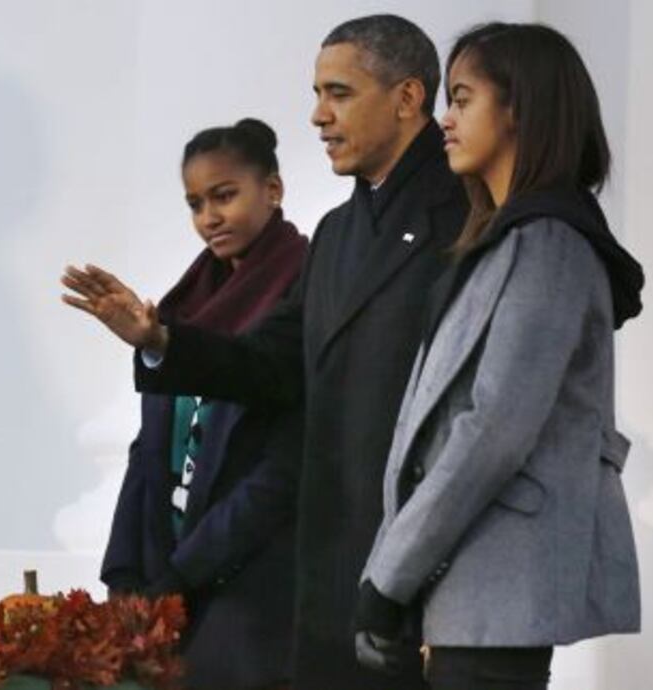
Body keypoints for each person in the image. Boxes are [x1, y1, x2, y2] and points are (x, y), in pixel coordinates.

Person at [62, 15, 467, 689]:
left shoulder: (460, 216)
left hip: (414, 568)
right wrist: (160, 340)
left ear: (407, 97)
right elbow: (270, 364)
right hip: (334, 571)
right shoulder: (340, 232)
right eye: (317, 93)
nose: (318, 115)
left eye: (338, 92)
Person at [354, 23, 643, 690]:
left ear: (520, 109)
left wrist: (389, 579)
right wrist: (391, 575)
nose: (444, 120)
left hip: (496, 588)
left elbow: (494, 429)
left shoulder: (549, 244)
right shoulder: (506, 243)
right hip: (461, 587)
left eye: (461, 98)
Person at [99, 119, 307, 690]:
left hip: (254, 589)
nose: (209, 218)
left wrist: (182, 575)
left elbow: (283, 469)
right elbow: (149, 450)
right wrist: (124, 576)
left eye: (225, 196)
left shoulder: (307, 291)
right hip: (172, 581)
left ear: (274, 190)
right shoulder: (186, 303)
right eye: (195, 203)